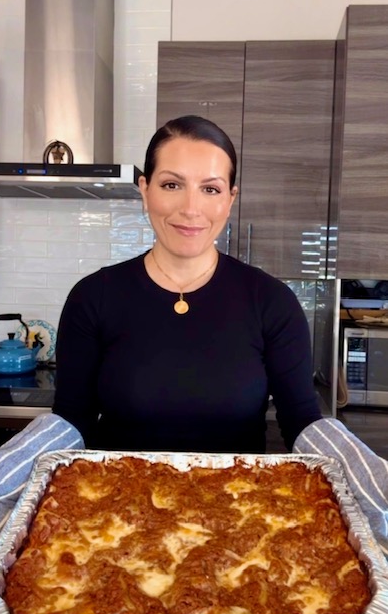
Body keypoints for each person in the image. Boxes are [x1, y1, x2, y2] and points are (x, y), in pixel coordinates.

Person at [52, 114, 322, 453]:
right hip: (118, 487)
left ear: (230, 200)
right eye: (171, 185)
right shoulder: (93, 297)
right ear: (145, 190)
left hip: (240, 489)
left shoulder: (272, 301)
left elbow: (302, 421)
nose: (191, 209)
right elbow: (70, 424)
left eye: (210, 189)